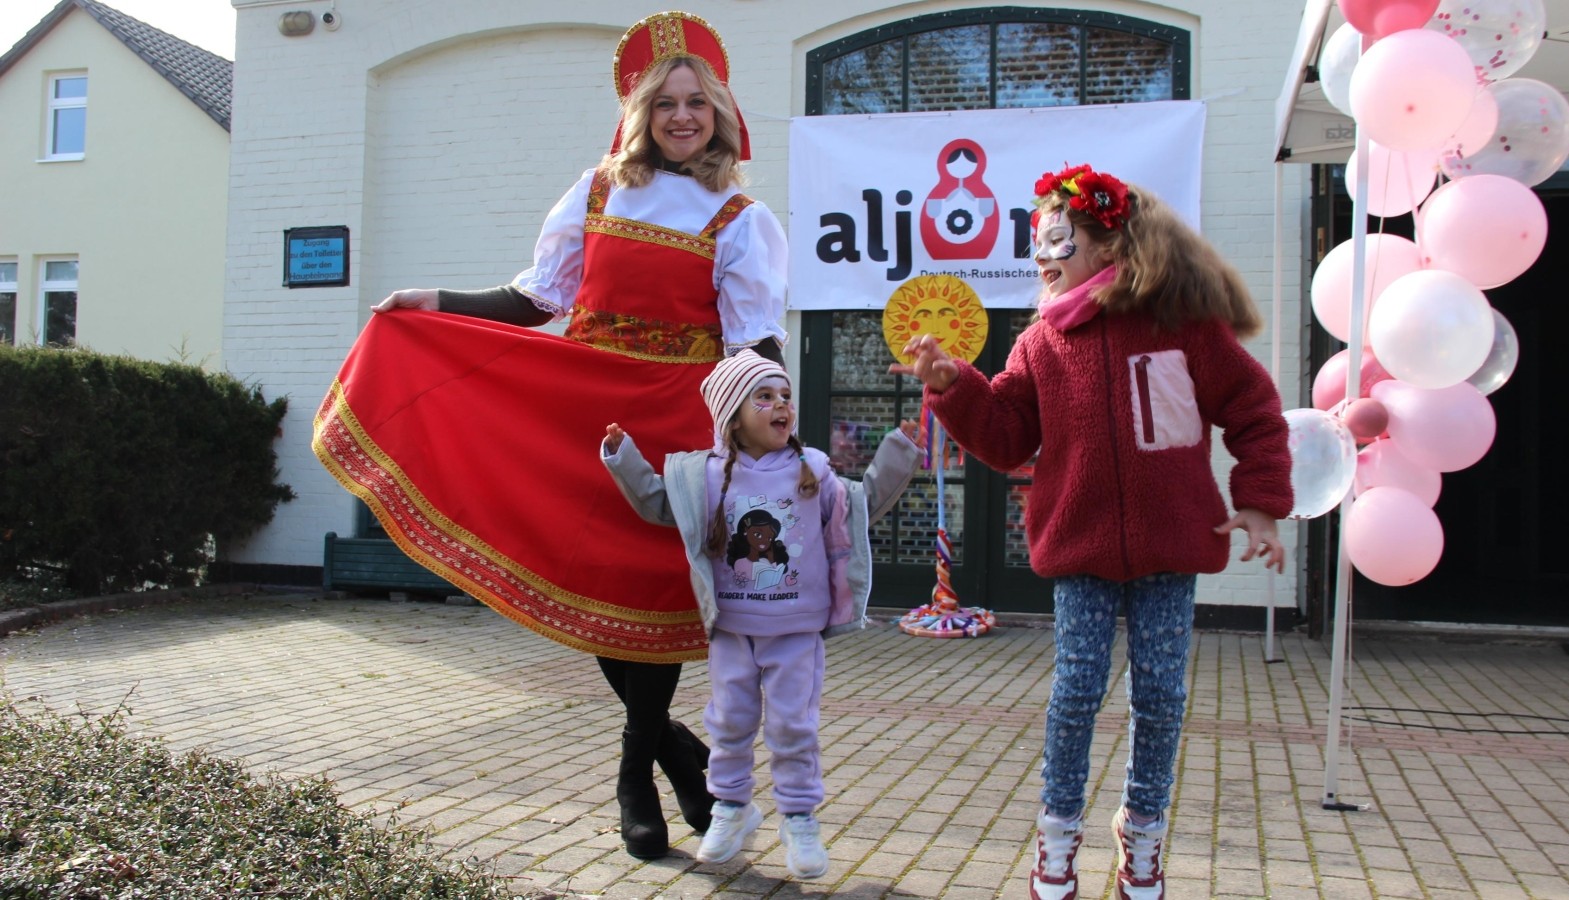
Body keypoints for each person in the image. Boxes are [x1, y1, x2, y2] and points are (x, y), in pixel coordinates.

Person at [310, 11, 787, 861]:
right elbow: (535, 300)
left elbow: (755, 345)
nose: (683, 117)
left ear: (719, 114)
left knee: (648, 596)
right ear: (642, 112)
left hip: (681, 424)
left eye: (698, 104)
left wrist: (778, 441)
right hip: (587, 413)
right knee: (596, 589)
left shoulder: (741, 216)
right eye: (667, 102)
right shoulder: (600, 188)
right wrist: (439, 304)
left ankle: (635, 772)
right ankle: (675, 755)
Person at [890, 162, 1292, 900]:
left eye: (1059, 239)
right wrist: (954, 386)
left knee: (1161, 696)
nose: (1044, 254)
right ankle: (1058, 835)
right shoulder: (1042, 343)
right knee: (1075, 693)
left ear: (1110, 245)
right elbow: (1009, 434)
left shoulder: (1183, 327)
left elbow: (1254, 410)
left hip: (1172, 546)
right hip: (1080, 548)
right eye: (1038, 242)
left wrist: (1261, 499)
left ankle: (1143, 833)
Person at [599, 350, 919, 879]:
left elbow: (860, 507)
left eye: (785, 397)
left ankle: (799, 819)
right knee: (728, 725)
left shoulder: (810, 468)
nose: (781, 406)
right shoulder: (705, 474)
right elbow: (661, 504)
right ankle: (731, 808)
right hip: (732, 630)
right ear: (732, 415)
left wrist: (899, 450)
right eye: (764, 397)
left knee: (794, 727)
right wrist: (623, 456)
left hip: (796, 631)